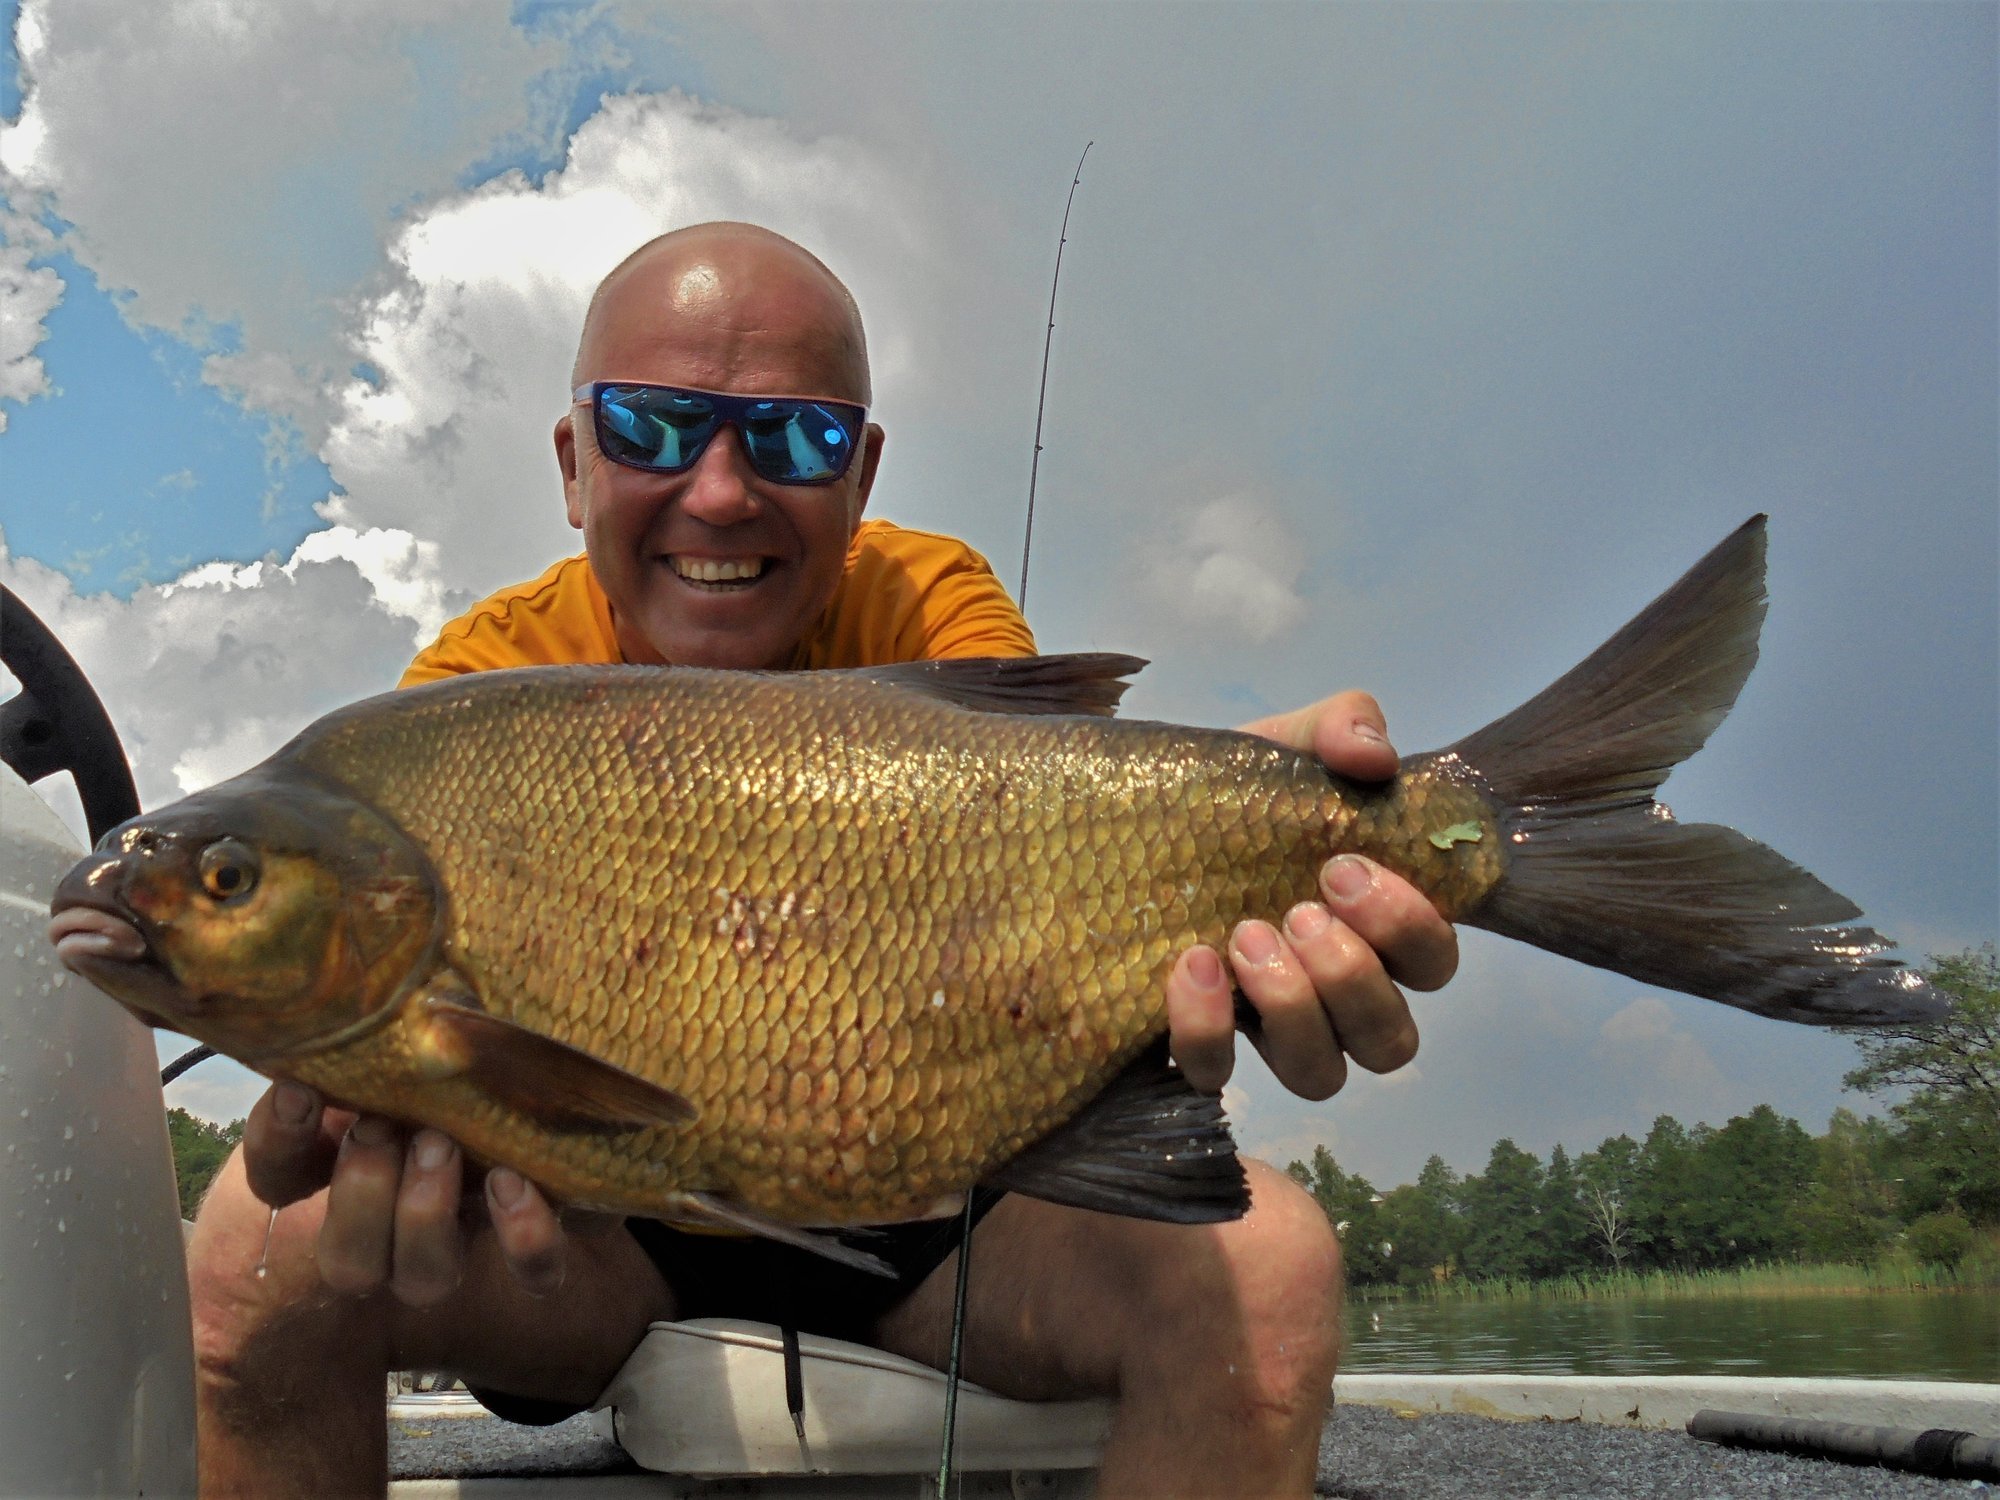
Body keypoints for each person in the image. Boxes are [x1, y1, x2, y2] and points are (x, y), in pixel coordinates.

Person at [184, 222, 1458, 1499]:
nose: (723, 491)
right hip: (593, 1233)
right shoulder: (471, 701)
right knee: (254, 1245)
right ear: (575, 463)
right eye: (651, 428)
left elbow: (1068, 834)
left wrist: (1271, 819)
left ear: (860, 473)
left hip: (942, 1203)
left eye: (799, 438)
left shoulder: (931, 604)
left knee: (1271, 1279)